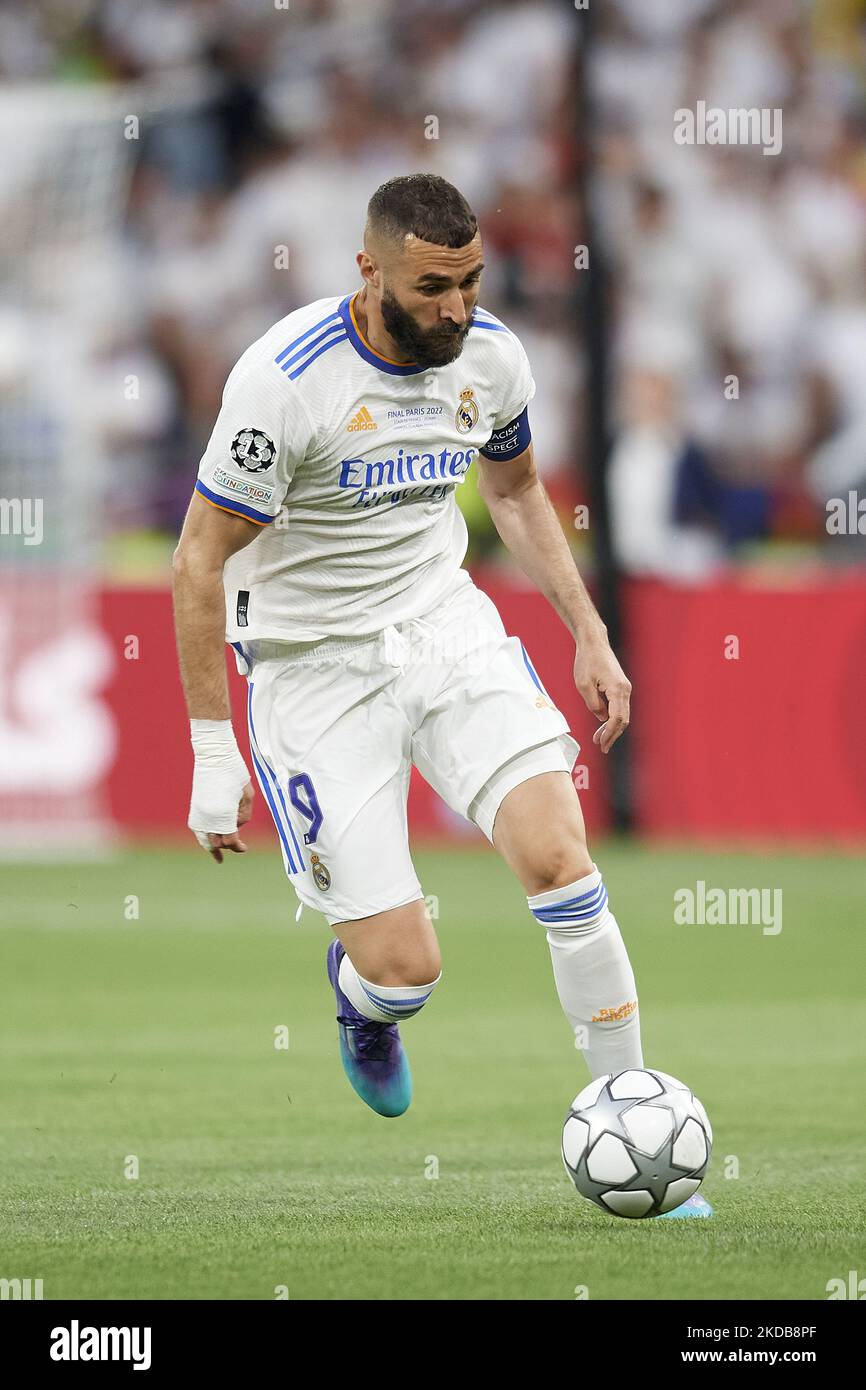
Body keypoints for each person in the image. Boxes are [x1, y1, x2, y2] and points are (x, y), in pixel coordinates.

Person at [172, 171, 643, 1135]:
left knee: (562, 861)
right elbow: (197, 558)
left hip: (443, 625)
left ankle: (628, 1113)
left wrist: (589, 633)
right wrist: (213, 751)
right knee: (406, 968)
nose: (457, 308)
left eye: (470, 281)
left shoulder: (493, 359)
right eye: (432, 288)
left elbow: (514, 491)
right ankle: (366, 1003)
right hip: (312, 666)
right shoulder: (285, 381)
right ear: (369, 272)